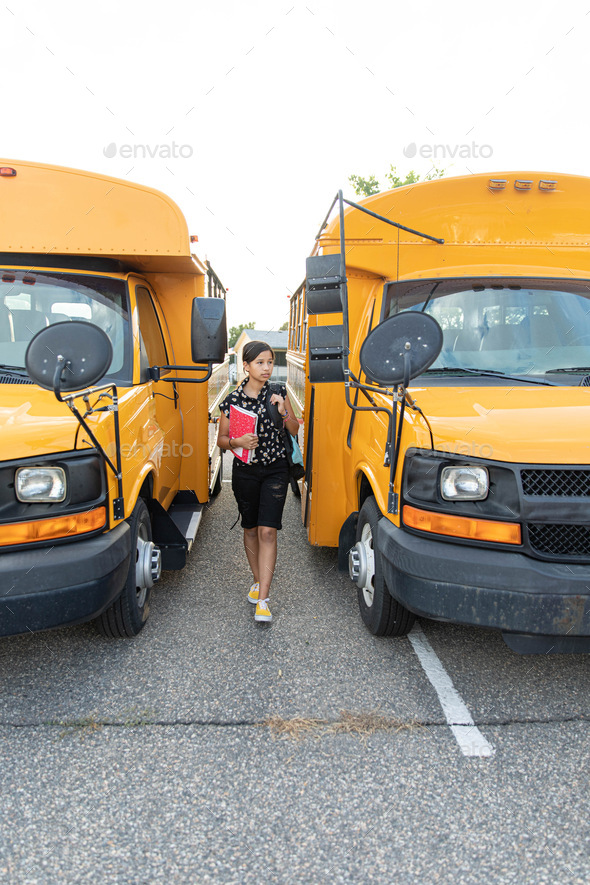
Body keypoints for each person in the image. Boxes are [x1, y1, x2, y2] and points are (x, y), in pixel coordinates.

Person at [218, 341, 299, 622]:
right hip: (245, 472)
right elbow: (221, 440)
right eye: (260, 363)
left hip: (275, 469)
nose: (267, 368)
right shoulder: (231, 401)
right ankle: (256, 578)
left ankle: (263, 598)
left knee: (268, 531)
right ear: (246, 366)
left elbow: (295, 428)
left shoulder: (278, 392)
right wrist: (236, 441)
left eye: (270, 362)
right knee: (250, 529)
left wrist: (283, 409)